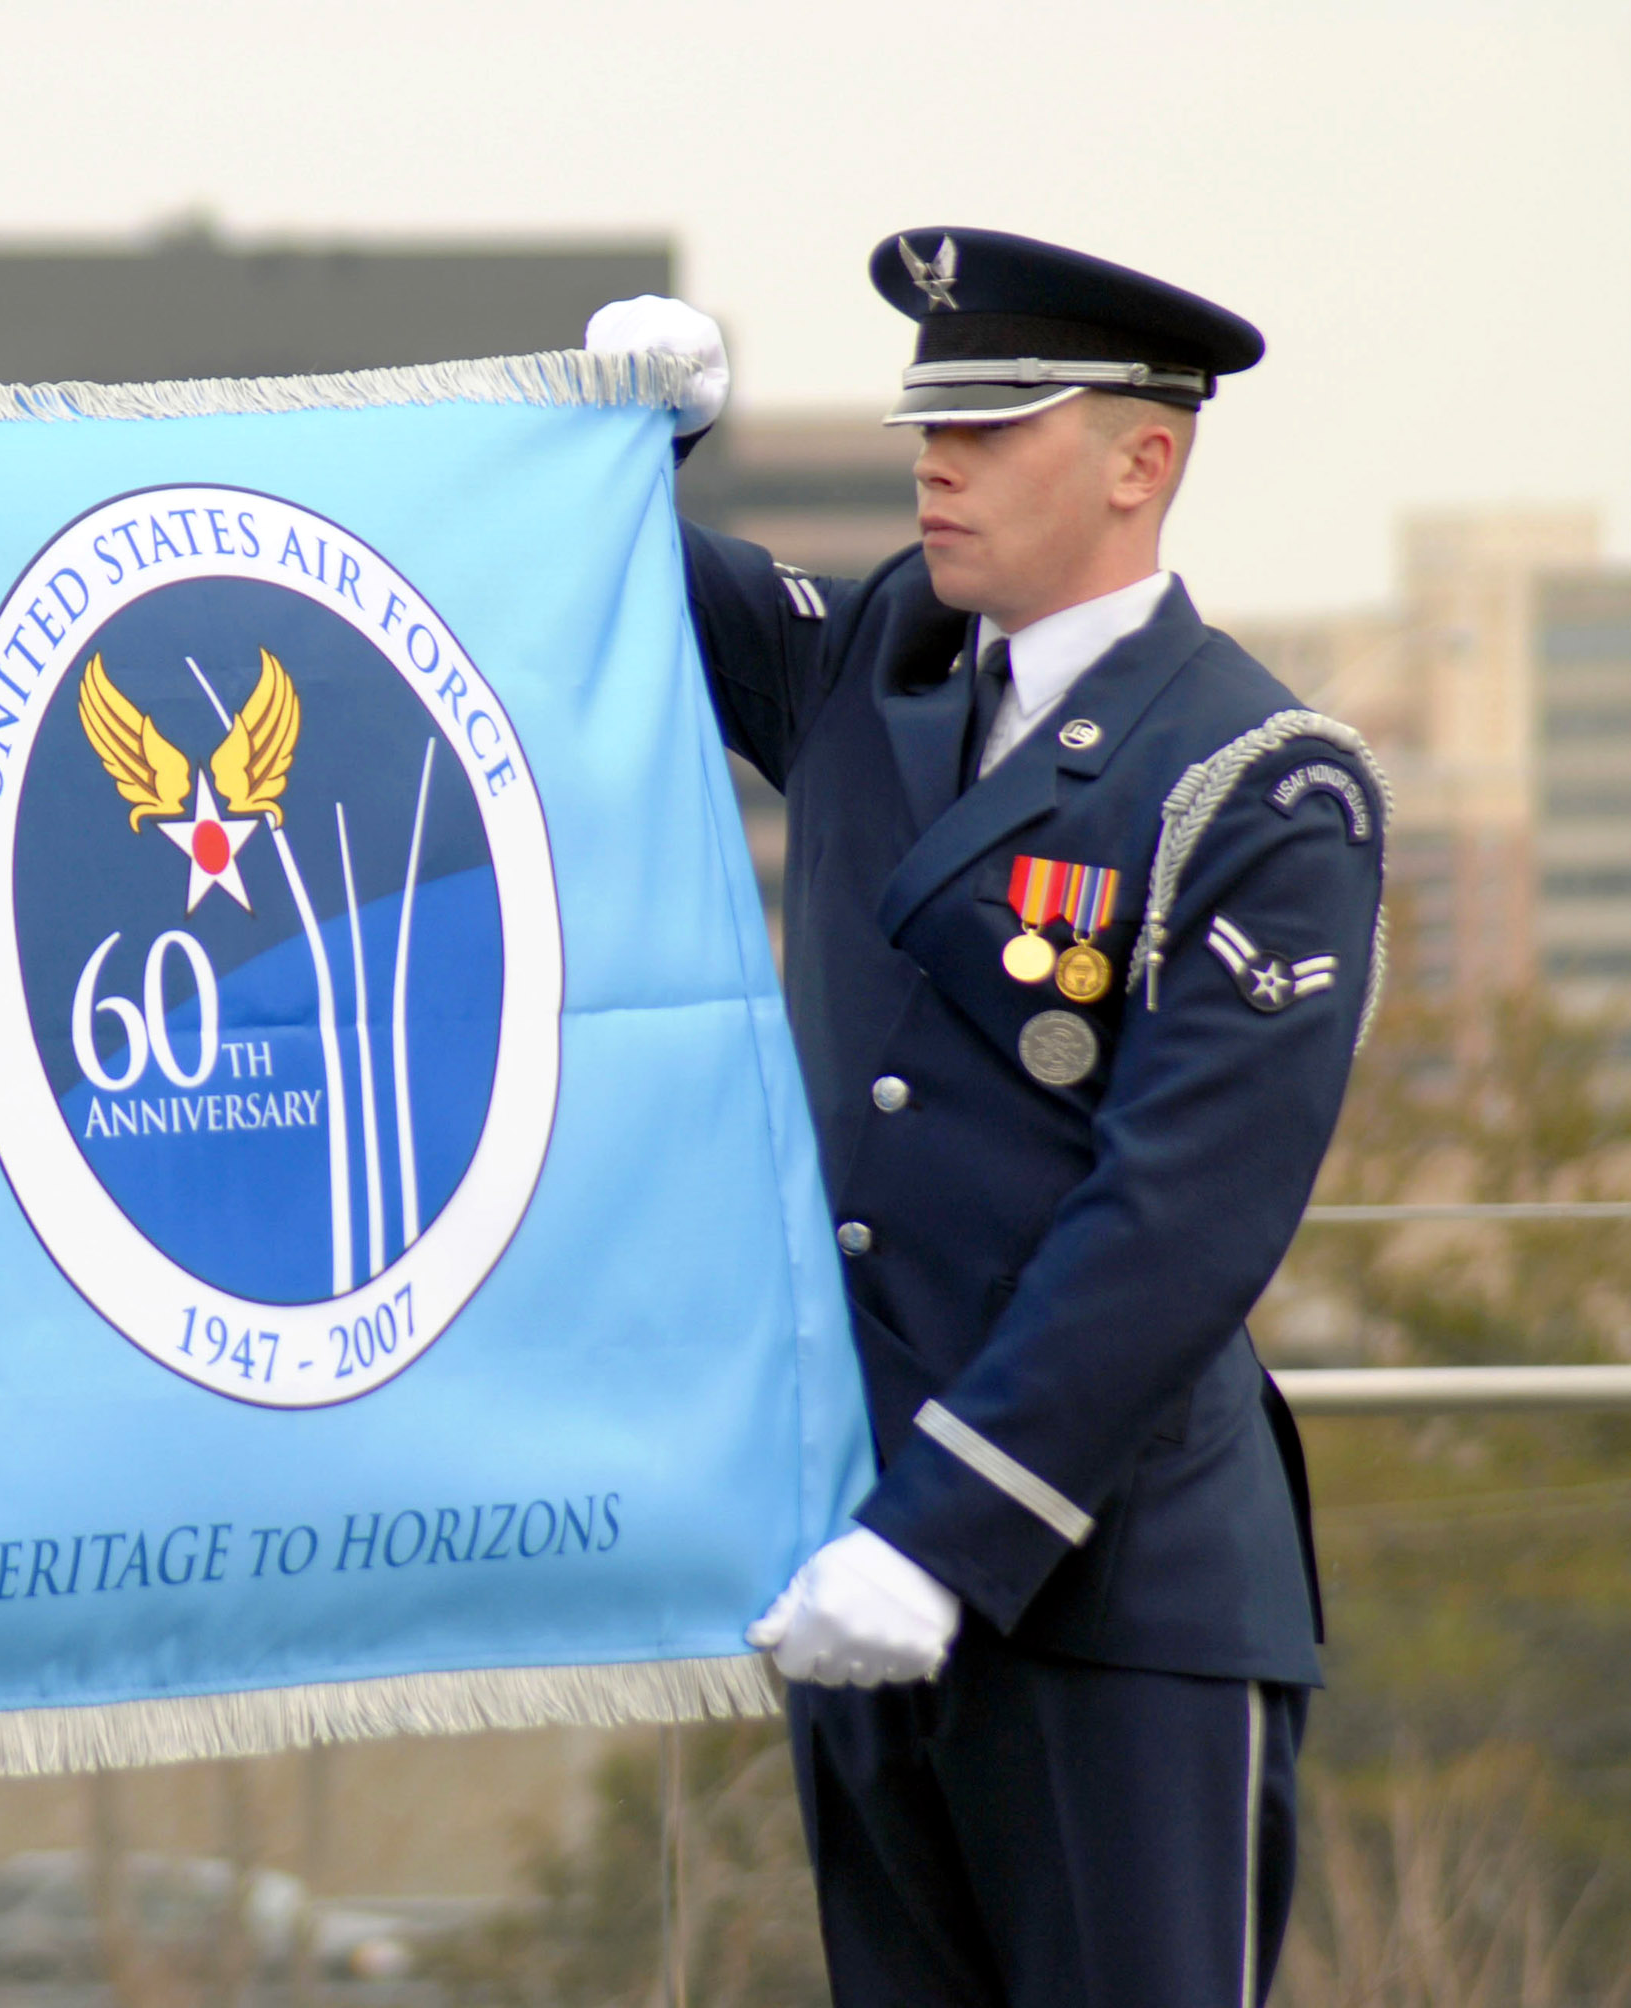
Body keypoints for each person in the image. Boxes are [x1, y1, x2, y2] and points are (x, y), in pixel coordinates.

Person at [589, 231, 1385, 2005]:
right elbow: (621, 588)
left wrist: (941, 1539)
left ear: (1140, 458)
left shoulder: (1259, 782)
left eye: (994, 426)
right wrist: (621, 447)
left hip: (1108, 1594)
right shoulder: (890, 660)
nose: (934, 462)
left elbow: (1174, 1227)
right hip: (863, 1570)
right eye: (927, 422)